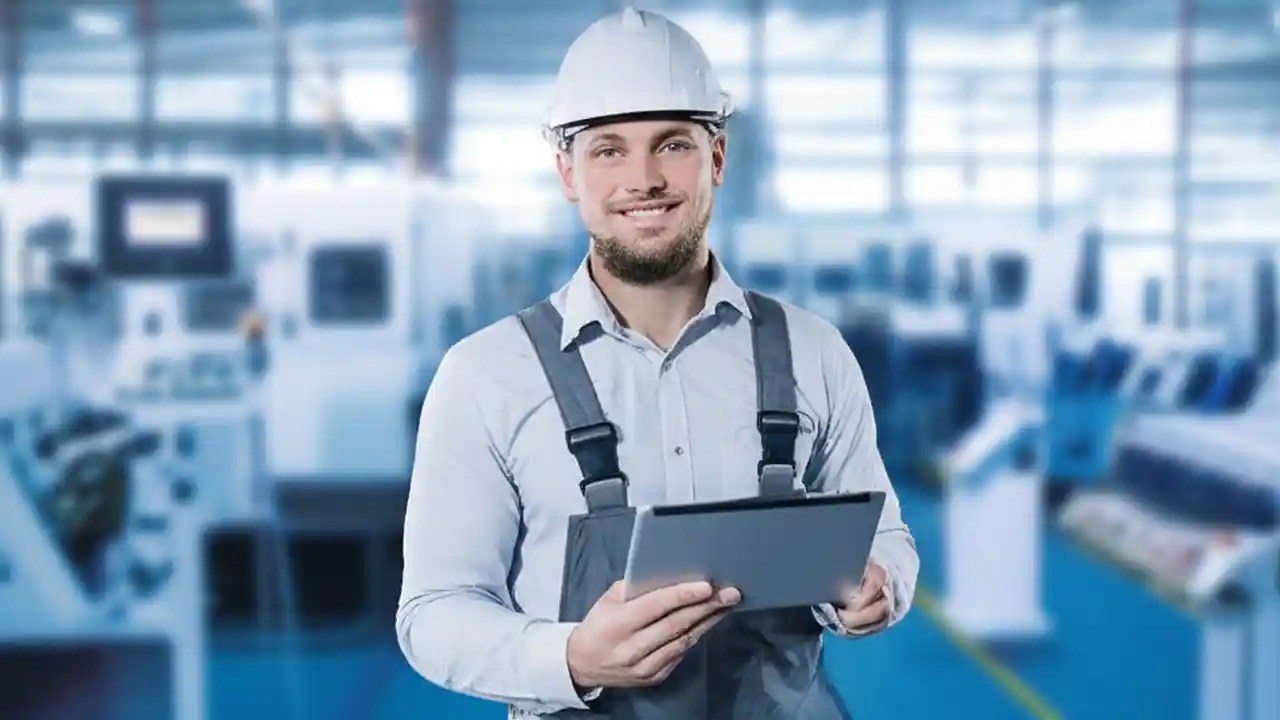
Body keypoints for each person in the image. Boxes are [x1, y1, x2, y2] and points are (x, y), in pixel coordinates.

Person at [396, 7, 918, 718]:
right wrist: (571, 658)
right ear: (566, 172)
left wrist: (882, 586)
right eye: (609, 150)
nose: (643, 179)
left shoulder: (814, 352)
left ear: (719, 158)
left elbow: (884, 531)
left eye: (672, 145)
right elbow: (433, 613)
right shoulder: (487, 376)